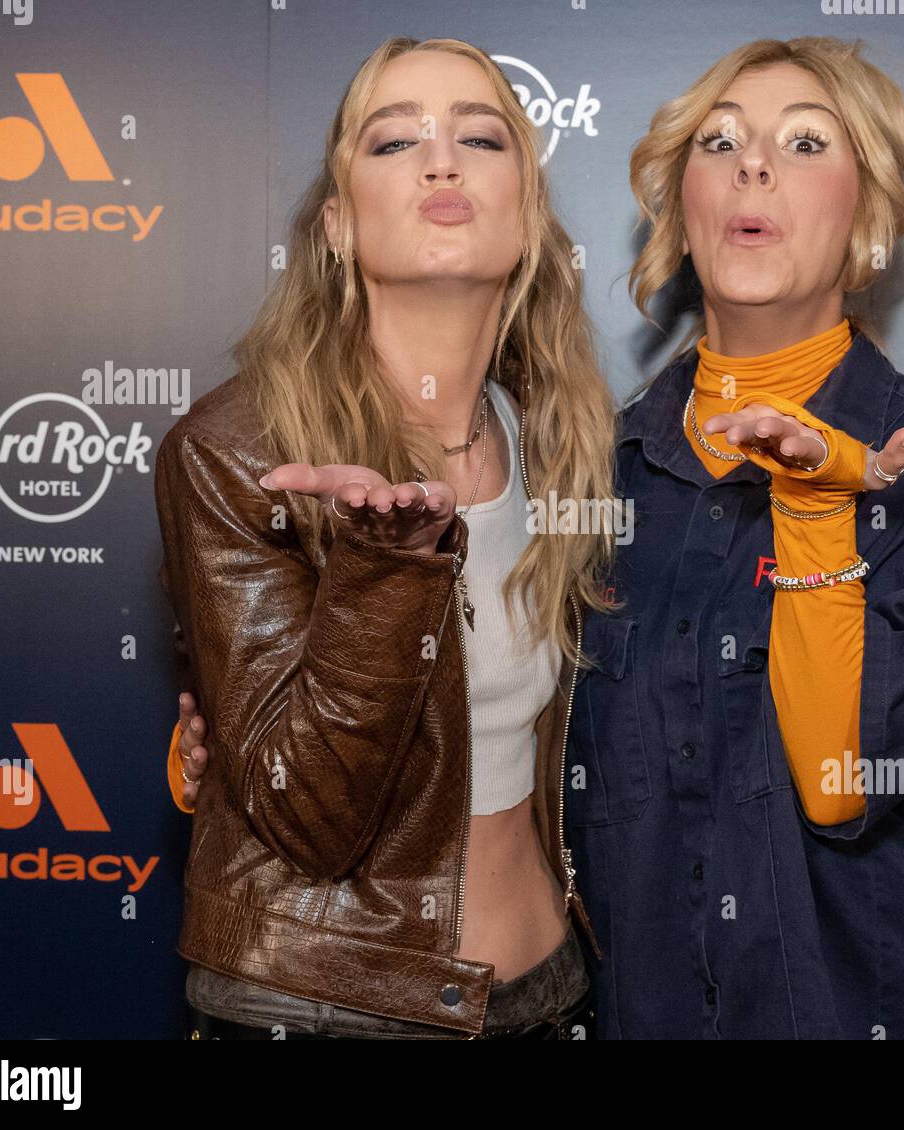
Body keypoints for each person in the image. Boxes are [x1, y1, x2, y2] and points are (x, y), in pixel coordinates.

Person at [171, 35, 904, 1039]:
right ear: (679, 211)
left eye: (807, 143)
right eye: (720, 142)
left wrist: (813, 504)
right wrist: (238, 737)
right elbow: (486, 718)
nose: (754, 163)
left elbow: (841, 787)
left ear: (868, 218)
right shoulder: (601, 468)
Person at [154, 35, 617, 1040]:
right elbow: (309, 818)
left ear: (530, 215)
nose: (441, 161)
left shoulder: (560, 443)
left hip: (552, 994)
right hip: (323, 1007)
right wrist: (381, 567)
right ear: (334, 225)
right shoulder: (236, 450)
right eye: (395, 139)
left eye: (480, 138)